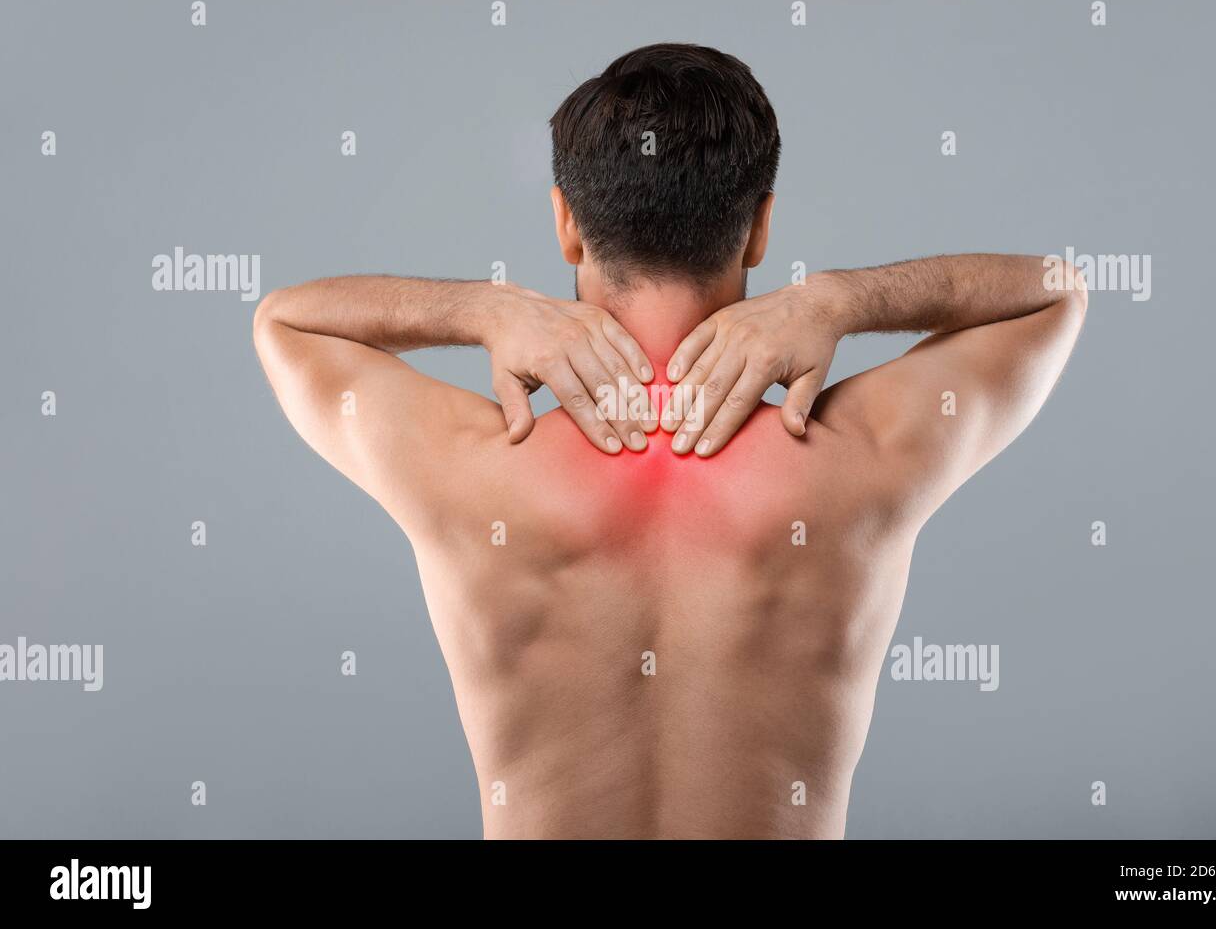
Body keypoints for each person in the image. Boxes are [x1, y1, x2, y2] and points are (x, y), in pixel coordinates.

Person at [253, 43, 1087, 838]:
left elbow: (284, 322)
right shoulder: (855, 455)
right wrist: (839, 301)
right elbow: (1056, 292)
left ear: (567, 225)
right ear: (761, 228)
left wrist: (482, 309)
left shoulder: (476, 468)